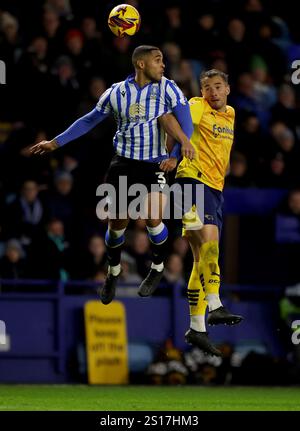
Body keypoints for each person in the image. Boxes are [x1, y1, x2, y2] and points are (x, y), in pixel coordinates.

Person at [29, 45, 194, 304]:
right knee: (117, 225)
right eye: (158, 60)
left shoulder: (168, 88)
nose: (163, 65)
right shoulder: (116, 92)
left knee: (153, 217)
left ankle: (158, 267)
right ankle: (113, 272)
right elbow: (88, 120)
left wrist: (176, 156)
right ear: (141, 64)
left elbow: (186, 123)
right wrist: (56, 142)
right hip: (123, 164)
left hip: (156, 164)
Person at [160, 69, 243, 356]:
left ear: (228, 89)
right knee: (209, 243)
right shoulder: (196, 106)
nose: (213, 92)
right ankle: (216, 305)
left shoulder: (230, 114)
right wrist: (173, 153)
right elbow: (168, 117)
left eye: (218, 87)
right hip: (191, 181)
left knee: (200, 257)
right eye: (208, 88)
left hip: (213, 188)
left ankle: (196, 326)